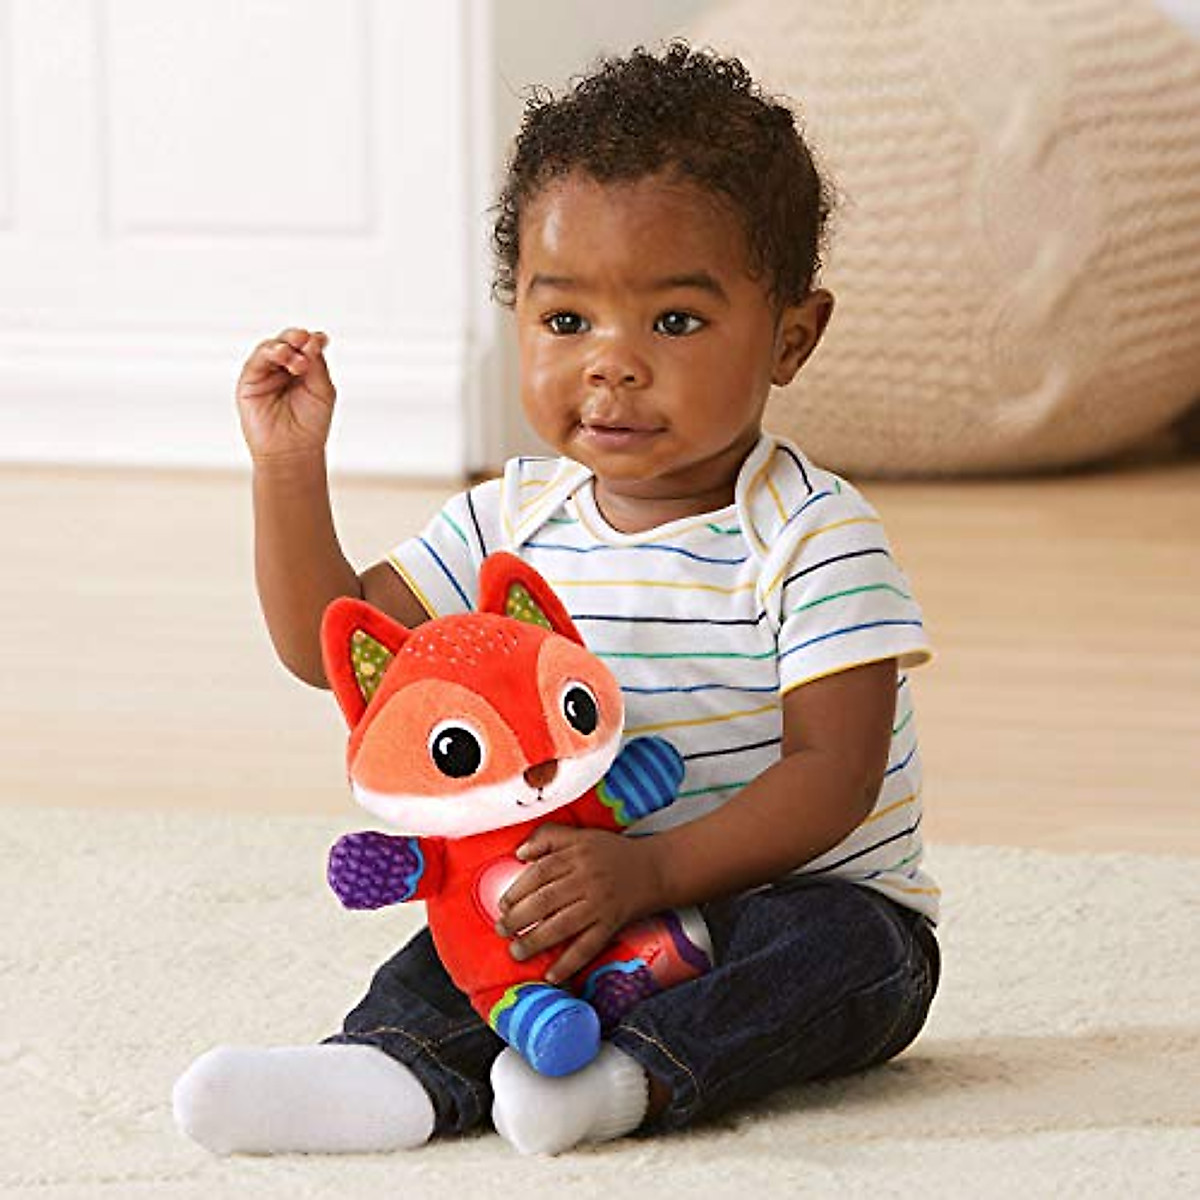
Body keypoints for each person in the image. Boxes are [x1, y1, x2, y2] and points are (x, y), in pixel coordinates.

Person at [173, 43, 941, 1158]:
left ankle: (625, 1078)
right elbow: (329, 653)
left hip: (780, 901)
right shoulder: (508, 520)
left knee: (843, 957)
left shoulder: (813, 535)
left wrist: (653, 872)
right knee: (476, 918)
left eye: (674, 322)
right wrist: (288, 468)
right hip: (578, 902)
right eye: (567, 321)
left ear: (792, 336)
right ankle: (386, 1070)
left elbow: (834, 778)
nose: (611, 365)